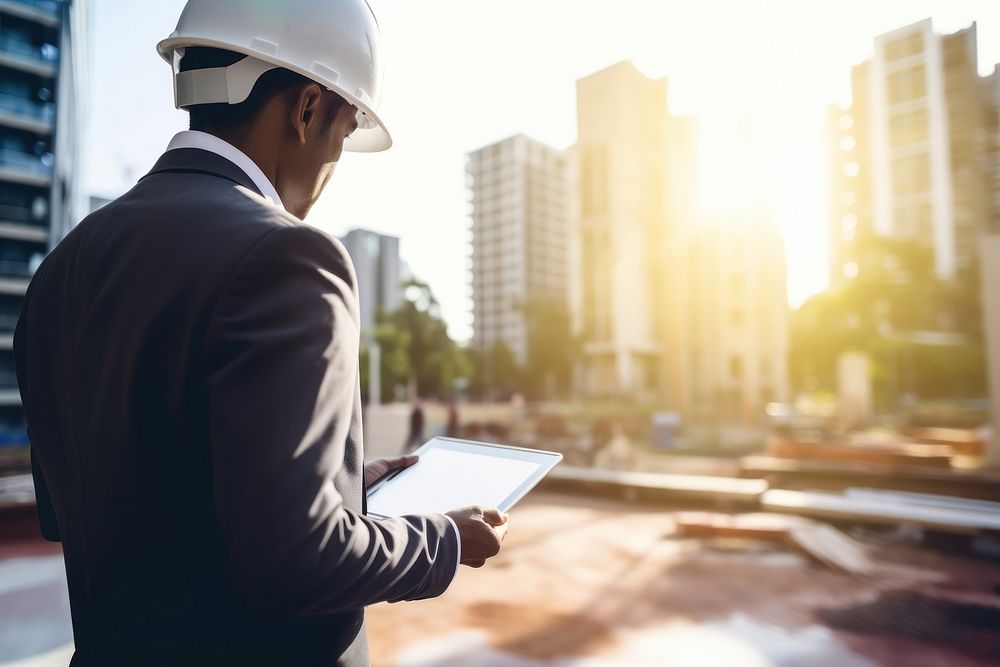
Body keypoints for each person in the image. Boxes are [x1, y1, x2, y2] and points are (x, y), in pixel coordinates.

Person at [14, 1, 508, 665]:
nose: (335, 162)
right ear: (306, 110)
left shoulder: (61, 270)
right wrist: (441, 539)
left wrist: (343, 486)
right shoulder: (290, 257)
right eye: (342, 130)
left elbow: (107, 500)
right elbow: (298, 560)